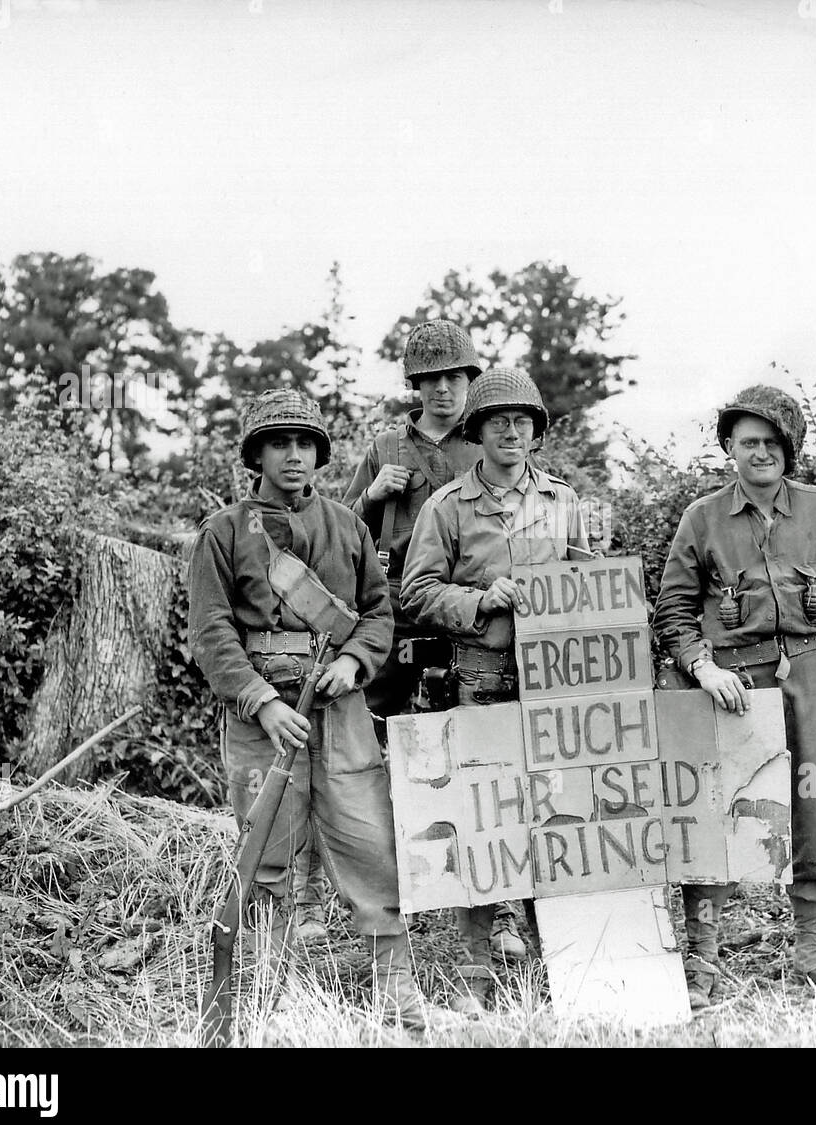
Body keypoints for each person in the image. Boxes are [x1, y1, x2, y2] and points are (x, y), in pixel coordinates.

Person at [187, 388, 430, 1030]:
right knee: (267, 857)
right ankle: (269, 991)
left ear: (319, 454)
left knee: (371, 845)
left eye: (303, 444)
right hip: (263, 719)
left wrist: (354, 663)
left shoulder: (348, 527)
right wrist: (262, 702)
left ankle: (396, 988)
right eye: (279, 443)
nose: (293, 456)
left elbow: (378, 614)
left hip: (342, 708)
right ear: (257, 454)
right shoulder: (222, 533)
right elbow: (211, 633)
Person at [653, 385, 816, 1010]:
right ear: (728, 448)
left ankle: (812, 951)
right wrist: (699, 666)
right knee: (719, 815)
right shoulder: (703, 518)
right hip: (735, 686)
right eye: (748, 442)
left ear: (789, 450)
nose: (760, 453)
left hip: (807, 679)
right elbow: (672, 604)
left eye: (772, 442)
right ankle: (704, 958)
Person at [401, 366, 590, 1015]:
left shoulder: (565, 503)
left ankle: (564, 970)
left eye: (522, 421)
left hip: (556, 686)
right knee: (482, 823)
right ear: (477, 432)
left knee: (556, 817)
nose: (511, 432)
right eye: (497, 421)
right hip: (478, 679)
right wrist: (484, 598)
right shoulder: (447, 505)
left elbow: (598, 586)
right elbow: (416, 592)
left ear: (536, 431)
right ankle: (476, 973)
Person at [340, 319, 528, 961]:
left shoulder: (488, 441)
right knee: (389, 753)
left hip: (479, 627)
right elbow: (338, 532)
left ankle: (489, 905)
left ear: (471, 384)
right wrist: (371, 495)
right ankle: (389, 889)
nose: (444, 390)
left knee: (480, 762)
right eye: (431, 380)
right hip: (403, 615)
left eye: (455, 378)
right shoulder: (388, 446)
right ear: (415, 386)